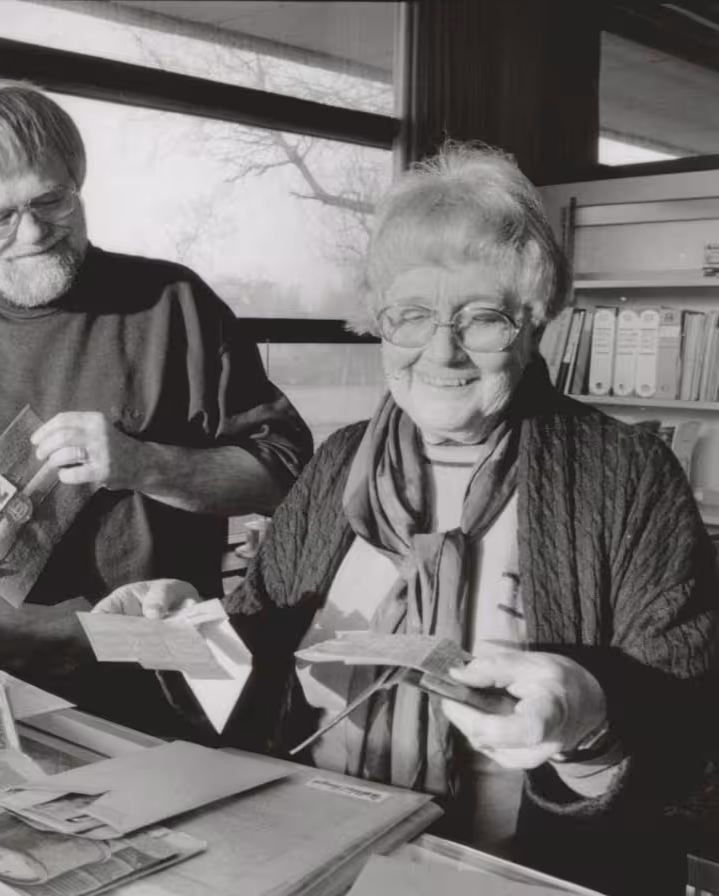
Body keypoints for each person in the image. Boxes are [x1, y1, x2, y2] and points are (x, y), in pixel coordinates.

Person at [94, 144, 719, 894]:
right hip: (306, 848)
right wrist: (187, 632)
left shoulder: (626, 475)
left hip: (511, 871)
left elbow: (690, 741)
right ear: (379, 323)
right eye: (411, 315)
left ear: (534, 322)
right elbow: (252, 671)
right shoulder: (338, 465)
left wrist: (587, 724)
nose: (441, 349)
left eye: (482, 318)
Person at [0, 82, 312, 732]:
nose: (36, 231)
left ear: (78, 183)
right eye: (0, 217)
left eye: (52, 199)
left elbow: (287, 474)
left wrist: (146, 465)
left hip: (166, 676)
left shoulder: (172, 305)